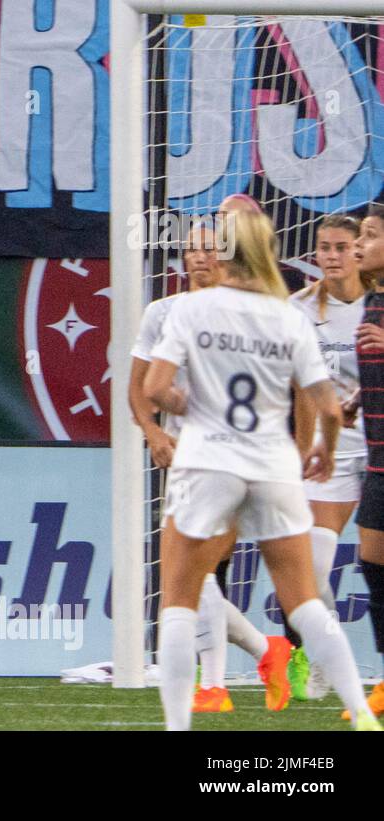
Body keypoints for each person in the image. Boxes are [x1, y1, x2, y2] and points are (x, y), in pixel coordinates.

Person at [144, 208, 379, 731]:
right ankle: (360, 712)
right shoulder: (289, 315)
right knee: (305, 603)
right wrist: (321, 448)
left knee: (179, 602)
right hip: (272, 462)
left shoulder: (193, 309)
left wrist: (193, 405)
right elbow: (325, 403)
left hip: (209, 462)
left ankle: (179, 726)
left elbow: (155, 390)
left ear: (222, 254)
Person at [129, 222, 287, 714]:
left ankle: (215, 686)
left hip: (234, 455)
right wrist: (154, 433)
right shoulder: (162, 313)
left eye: (210, 248)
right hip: (183, 458)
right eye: (191, 249)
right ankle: (267, 651)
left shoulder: (250, 311)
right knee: (193, 574)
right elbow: (138, 387)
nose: (199, 257)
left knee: (196, 571)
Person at [287, 214, 370, 702]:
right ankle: (324, 656)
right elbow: (299, 386)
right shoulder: (299, 309)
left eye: (342, 246)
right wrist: (302, 447)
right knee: (313, 567)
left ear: (359, 251)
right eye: (324, 247)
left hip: (376, 447)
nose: (333, 256)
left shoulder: (377, 306)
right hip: (329, 452)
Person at [346, 203, 384, 718]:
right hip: (377, 456)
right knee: (372, 561)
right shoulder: (372, 301)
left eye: (371, 235)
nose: (359, 244)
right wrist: (355, 398)